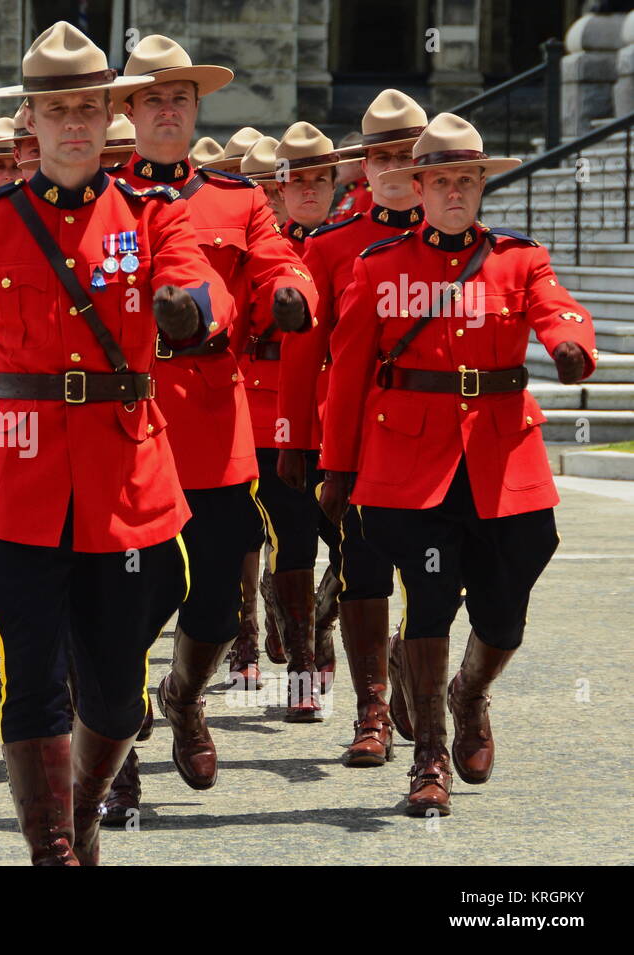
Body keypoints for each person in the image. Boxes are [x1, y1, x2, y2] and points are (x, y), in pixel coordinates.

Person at [0, 21, 236, 865]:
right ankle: (50, 842)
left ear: (110, 114)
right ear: (33, 125)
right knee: (33, 675)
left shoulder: (153, 213)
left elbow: (198, 283)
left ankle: (83, 811)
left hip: (124, 473)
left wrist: (189, 312)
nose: (76, 125)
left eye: (90, 107)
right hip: (14, 475)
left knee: (118, 694)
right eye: (59, 111)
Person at [318, 112, 596, 816]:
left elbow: (556, 307)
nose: (454, 193)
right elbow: (349, 373)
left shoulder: (517, 257)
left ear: (480, 187)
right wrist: (337, 467)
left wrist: (568, 345)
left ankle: (469, 690)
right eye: (441, 180)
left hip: (501, 455)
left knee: (510, 603)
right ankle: (429, 759)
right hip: (415, 462)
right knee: (431, 597)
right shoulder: (380, 265)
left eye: (466, 181)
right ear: (419, 187)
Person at [103, 34, 315, 821]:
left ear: (196, 110)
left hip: (213, 421)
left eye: (180, 98)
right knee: (120, 600)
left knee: (217, 603)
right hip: (123, 416)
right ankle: (116, 747)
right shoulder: (95, 196)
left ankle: (185, 699)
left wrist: (293, 295)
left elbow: (275, 262)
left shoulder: (236, 198)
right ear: (128, 109)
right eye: (152, 97)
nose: (167, 110)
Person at [276, 89, 427, 765]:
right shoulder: (334, 245)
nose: (395, 165)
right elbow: (304, 351)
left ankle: (420, 677)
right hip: (359, 435)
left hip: (440, 441)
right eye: (383, 154)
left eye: (407, 153)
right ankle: (372, 711)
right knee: (364, 569)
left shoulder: (467, 237)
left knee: (436, 576)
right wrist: (296, 438)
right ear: (363, 166)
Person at [243, 121, 343, 720]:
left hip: (337, 406)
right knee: (291, 536)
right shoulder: (260, 246)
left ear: (336, 185)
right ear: (276, 190)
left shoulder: (357, 243)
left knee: (356, 545)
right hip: (269, 404)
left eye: (320, 180)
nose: (308, 191)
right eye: (295, 181)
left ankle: (320, 618)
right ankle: (305, 662)